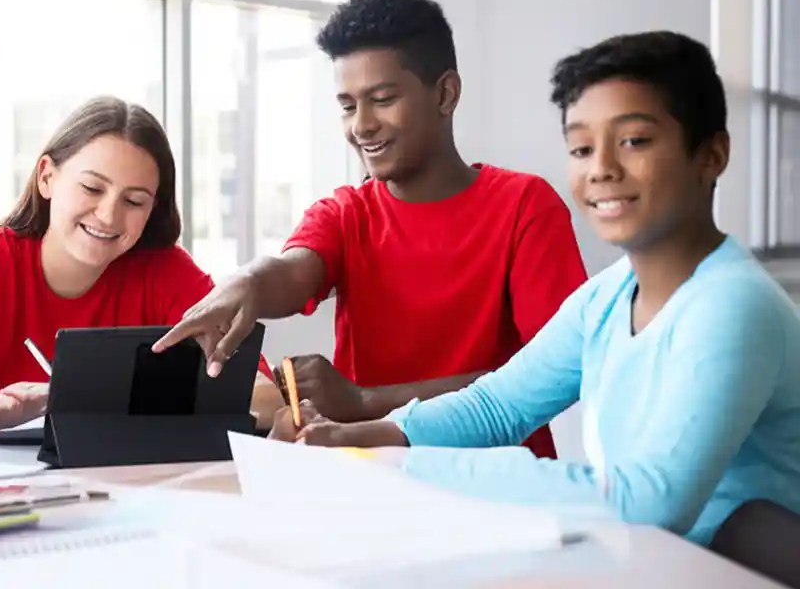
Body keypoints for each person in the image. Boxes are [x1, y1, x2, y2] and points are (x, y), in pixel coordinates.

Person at [275, 31, 800, 546]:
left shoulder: (734, 306)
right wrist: (366, 436)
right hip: (652, 562)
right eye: (581, 147)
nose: (603, 170)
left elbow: (648, 500)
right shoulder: (609, 297)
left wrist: (399, 462)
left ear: (711, 155)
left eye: (634, 141)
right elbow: (497, 407)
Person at [155, 0, 586, 458]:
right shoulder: (344, 212)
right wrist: (246, 284)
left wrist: (364, 402)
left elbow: (553, 371)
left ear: (445, 94)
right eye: (347, 105)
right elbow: (295, 271)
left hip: (501, 482)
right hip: (370, 480)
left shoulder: (524, 206)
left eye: (381, 99)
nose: (361, 125)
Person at [0, 97, 281, 438]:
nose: (109, 216)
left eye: (134, 201)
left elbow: (264, 399)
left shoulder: (165, 271)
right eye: (92, 187)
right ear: (47, 177)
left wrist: (109, 399)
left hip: (125, 491)